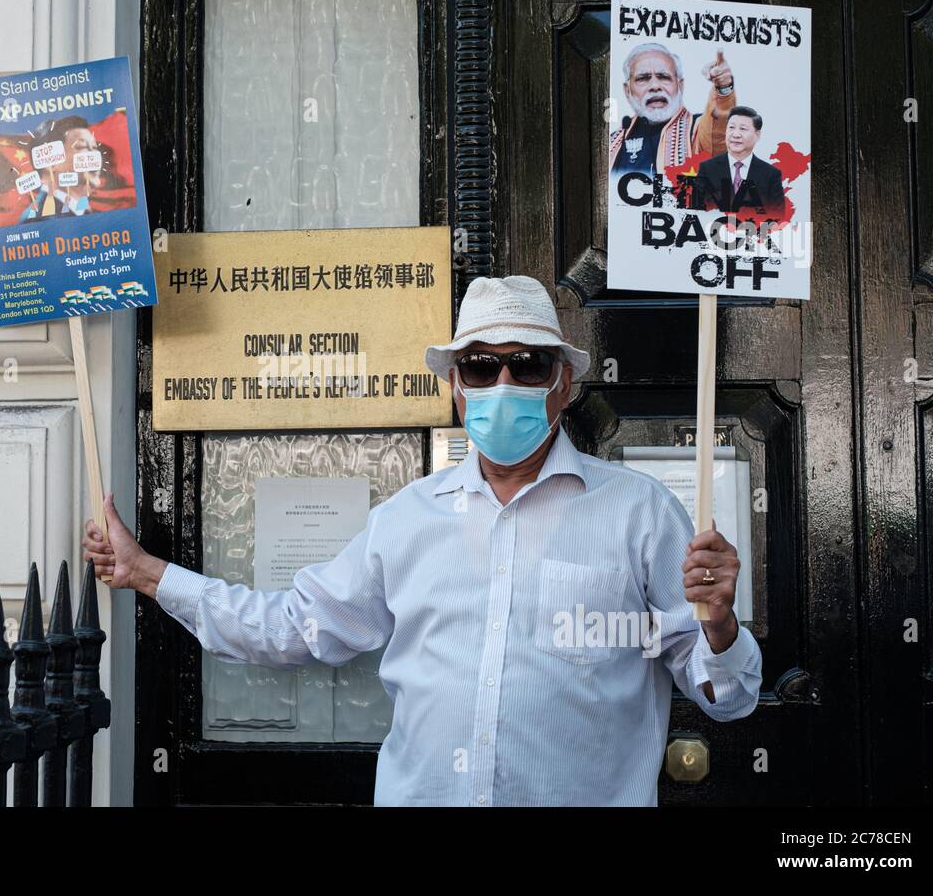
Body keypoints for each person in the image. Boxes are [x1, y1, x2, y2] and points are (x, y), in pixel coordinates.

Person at [82, 275, 762, 806]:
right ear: (455, 389)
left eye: (527, 365)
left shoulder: (638, 513)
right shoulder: (405, 520)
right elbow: (294, 628)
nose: (503, 384)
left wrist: (720, 625)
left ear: (564, 385)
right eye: (479, 367)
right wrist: (145, 571)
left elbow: (726, 696)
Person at [608, 42, 739, 177]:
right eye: (643, 78)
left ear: (680, 85)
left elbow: (718, 133)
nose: (654, 86)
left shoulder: (697, 130)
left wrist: (723, 90)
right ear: (627, 90)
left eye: (664, 77)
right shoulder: (612, 142)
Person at [693, 105, 786, 216]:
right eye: (731, 127)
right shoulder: (707, 169)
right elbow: (697, 212)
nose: (736, 135)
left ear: (757, 135)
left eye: (743, 129)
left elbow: (777, 217)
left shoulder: (771, 175)